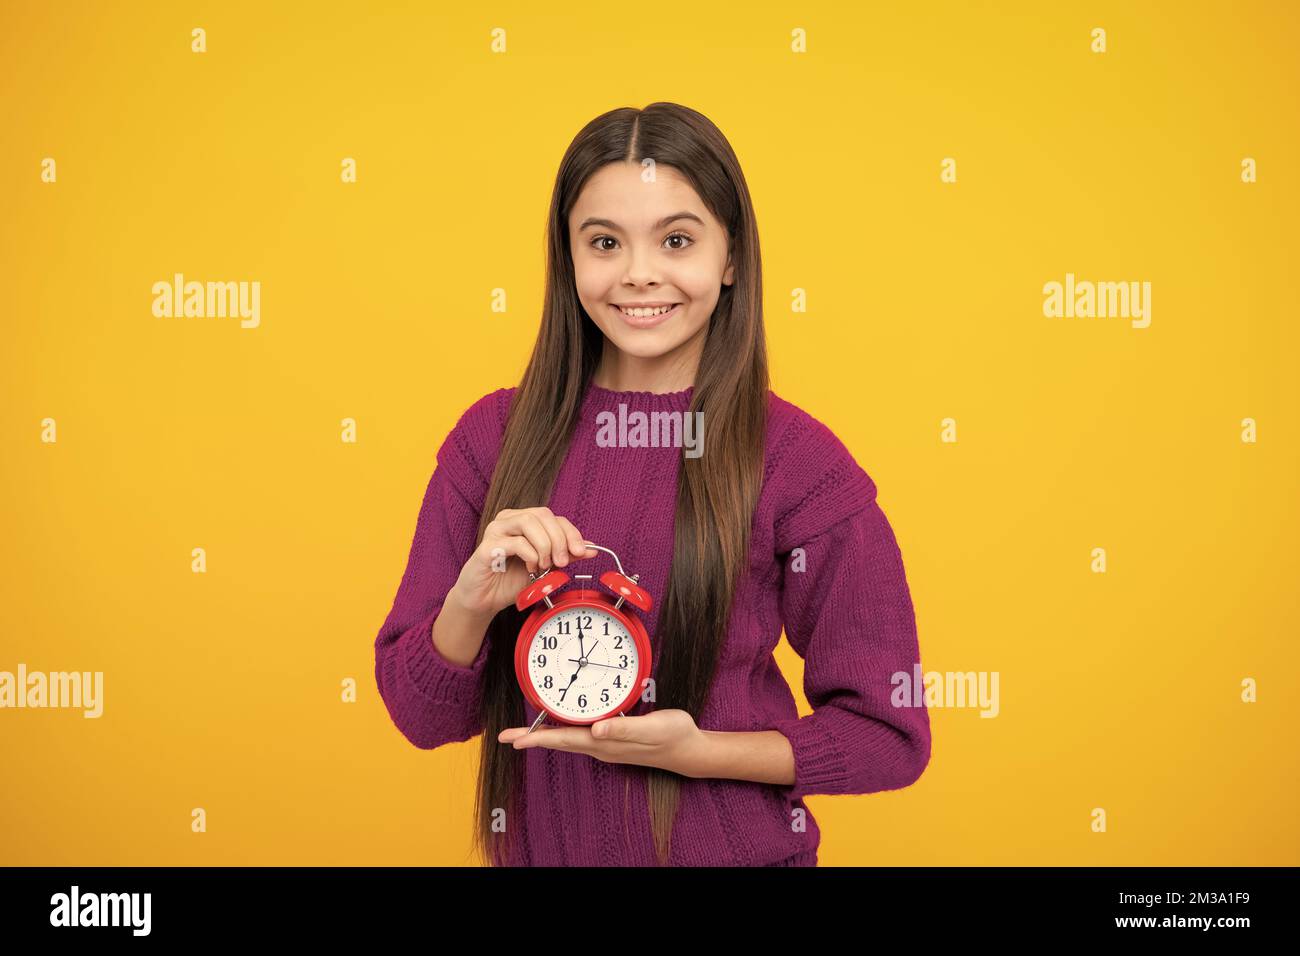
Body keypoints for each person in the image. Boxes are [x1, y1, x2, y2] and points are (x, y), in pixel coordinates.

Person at [373, 102, 931, 866]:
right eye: (605, 242)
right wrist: (469, 602)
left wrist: (700, 753)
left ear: (731, 257)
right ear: (568, 258)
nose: (639, 273)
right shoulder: (491, 442)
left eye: (676, 240)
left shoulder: (800, 463)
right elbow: (420, 717)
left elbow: (889, 736)